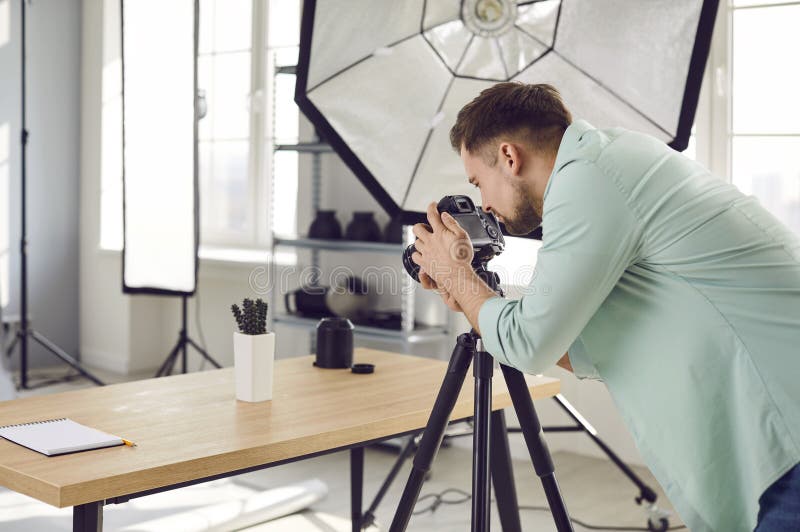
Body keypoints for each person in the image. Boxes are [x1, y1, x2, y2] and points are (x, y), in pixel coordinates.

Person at [410, 82, 800, 532]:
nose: (485, 206)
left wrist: (459, 275)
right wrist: (470, 298)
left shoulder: (589, 181)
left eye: (479, 182)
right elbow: (576, 344)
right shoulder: (607, 160)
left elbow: (528, 344)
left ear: (509, 156)